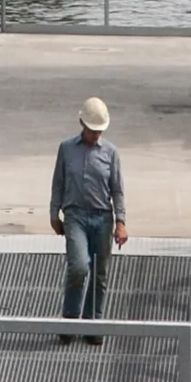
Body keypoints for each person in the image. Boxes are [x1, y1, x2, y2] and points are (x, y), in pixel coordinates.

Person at [50, 93, 127, 321]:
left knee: (99, 274)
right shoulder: (66, 149)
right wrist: (54, 214)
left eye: (99, 131)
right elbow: (58, 183)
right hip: (75, 216)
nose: (96, 135)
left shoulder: (111, 153)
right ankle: (70, 319)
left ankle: (93, 322)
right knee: (79, 267)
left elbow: (117, 189)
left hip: (102, 218)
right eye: (92, 130)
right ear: (82, 124)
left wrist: (121, 222)